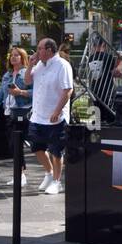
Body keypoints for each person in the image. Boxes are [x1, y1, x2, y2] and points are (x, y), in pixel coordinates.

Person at [24, 37, 73, 195]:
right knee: (36, 147)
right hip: (38, 116)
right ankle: (49, 173)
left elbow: (68, 91)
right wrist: (30, 63)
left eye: (40, 48)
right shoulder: (39, 64)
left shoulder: (62, 65)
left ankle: (57, 182)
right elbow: (27, 80)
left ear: (49, 50)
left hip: (55, 117)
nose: (37, 51)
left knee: (56, 150)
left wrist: (57, 111)